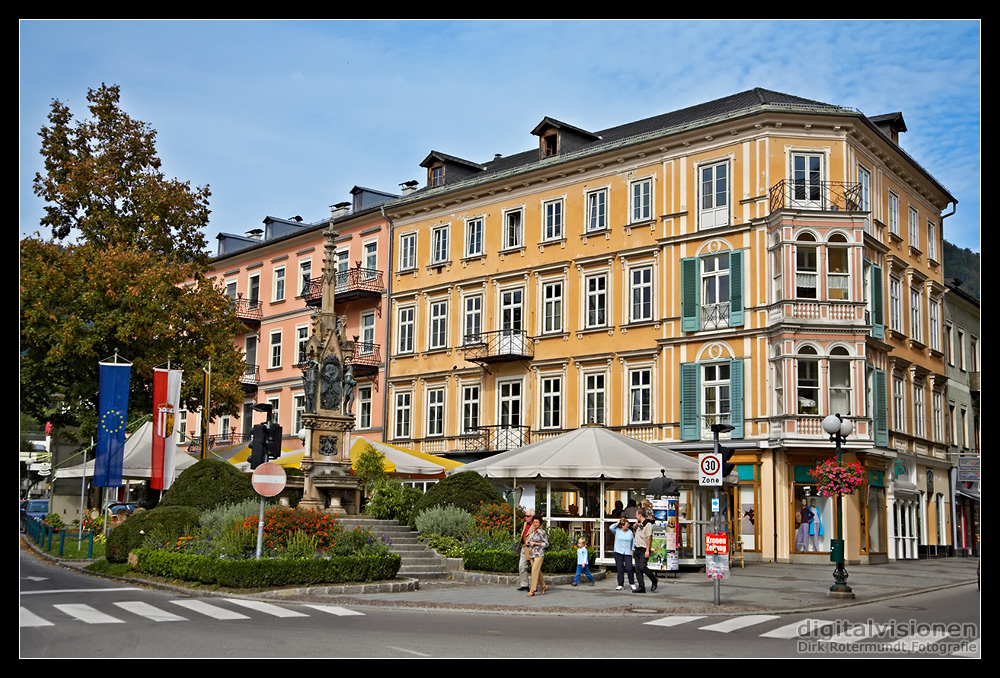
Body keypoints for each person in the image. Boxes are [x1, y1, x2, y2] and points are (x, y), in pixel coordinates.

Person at [632, 508, 658, 593]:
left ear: (640, 515)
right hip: (637, 548)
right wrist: (634, 528)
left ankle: (654, 579)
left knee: (642, 566)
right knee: (637, 569)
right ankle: (641, 586)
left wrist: (647, 550)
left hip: (643, 548)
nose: (636, 516)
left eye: (636, 515)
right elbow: (637, 536)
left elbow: (648, 537)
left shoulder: (648, 524)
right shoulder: (640, 525)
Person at [609, 515, 635, 591]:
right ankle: (620, 584)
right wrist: (617, 523)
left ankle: (632, 583)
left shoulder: (630, 532)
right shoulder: (617, 530)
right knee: (620, 568)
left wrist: (633, 549)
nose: (628, 526)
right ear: (622, 526)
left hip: (627, 552)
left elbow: (632, 541)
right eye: (627, 525)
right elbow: (611, 528)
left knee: (629, 568)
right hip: (618, 551)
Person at [525, 514, 549, 597]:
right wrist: (528, 542)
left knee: (534, 571)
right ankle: (544, 586)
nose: (535, 524)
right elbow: (529, 539)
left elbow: (546, 543)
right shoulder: (532, 531)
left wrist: (536, 543)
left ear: (540, 523)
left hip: (539, 554)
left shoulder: (542, 532)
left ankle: (533, 589)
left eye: (537, 522)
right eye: (534, 522)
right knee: (537, 572)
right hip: (532, 553)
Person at [516, 507, 535, 591]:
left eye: (528, 516)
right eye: (525, 516)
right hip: (524, 547)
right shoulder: (525, 524)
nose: (526, 517)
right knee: (522, 566)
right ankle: (524, 584)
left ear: (532, 516)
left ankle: (534, 586)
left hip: (532, 548)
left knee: (534, 568)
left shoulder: (535, 525)